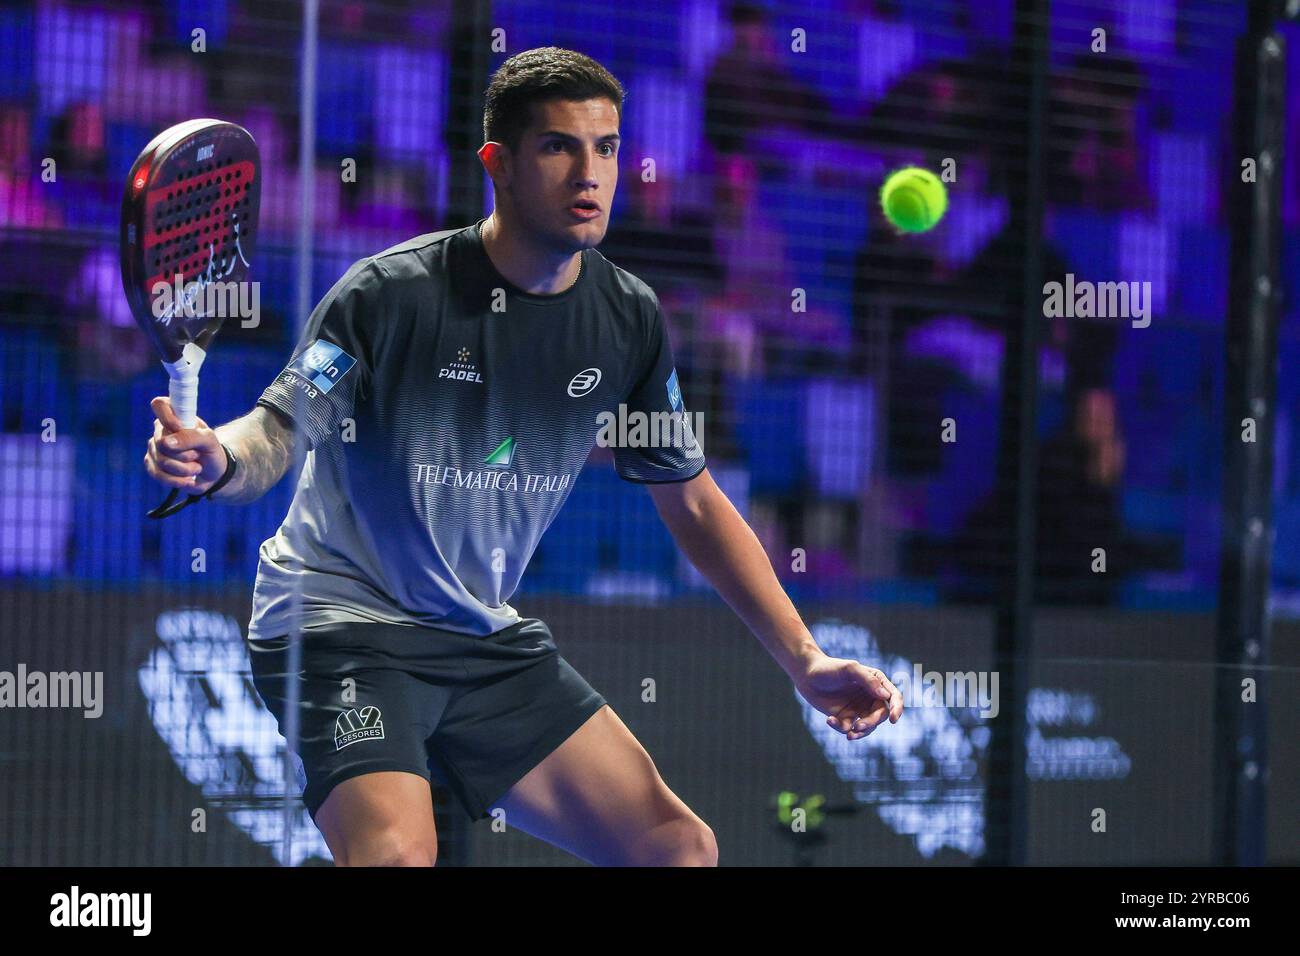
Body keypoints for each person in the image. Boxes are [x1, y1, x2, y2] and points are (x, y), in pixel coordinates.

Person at [142, 47, 903, 867]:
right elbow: (277, 432)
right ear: (498, 165)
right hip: (341, 627)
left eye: (607, 147)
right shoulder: (390, 294)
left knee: (678, 851)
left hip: (478, 635)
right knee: (396, 860)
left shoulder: (625, 319)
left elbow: (693, 501)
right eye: (558, 147)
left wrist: (806, 660)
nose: (590, 172)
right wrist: (216, 456)